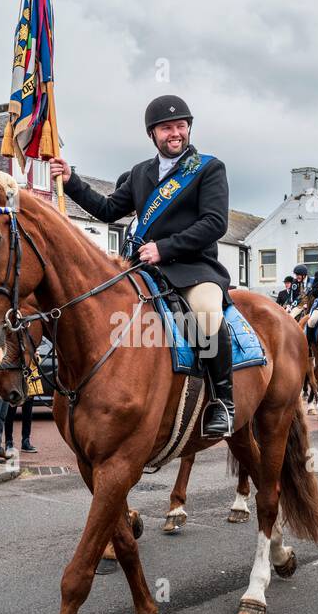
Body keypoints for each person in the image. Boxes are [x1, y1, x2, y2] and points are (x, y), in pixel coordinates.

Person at [53, 94, 236, 437]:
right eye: (167, 128)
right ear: (153, 134)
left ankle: (223, 403)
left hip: (193, 269)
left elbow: (215, 223)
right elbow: (107, 210)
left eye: (181, 126)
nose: (175, 133)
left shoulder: (209, 168)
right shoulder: (140, 173)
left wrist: (165, 248)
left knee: (208, 314)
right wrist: (71, 181)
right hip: (144, 269)